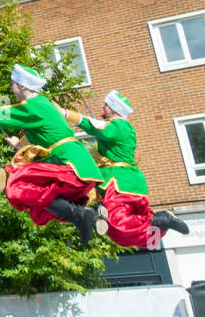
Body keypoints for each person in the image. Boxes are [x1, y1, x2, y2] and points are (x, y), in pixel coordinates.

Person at [0, 65, 105, 243]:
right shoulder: (42, 104)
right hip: (77, 165)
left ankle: (82, 214)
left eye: (13, 84)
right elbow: (47, 136)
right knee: (40, 207)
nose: (11, 88)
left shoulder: (33, 106)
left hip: (69, 164)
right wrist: (19, 145)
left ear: (23, 86)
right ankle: (89, 217)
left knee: (20, 183)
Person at [58, 91, 189, 247]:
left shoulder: (119, 125)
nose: (103, 106)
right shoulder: (122, 127)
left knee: (118, 223)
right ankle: (154, 222)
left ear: (114, 109)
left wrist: (66, 113)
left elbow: (95, 126)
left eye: (106, 104)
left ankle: (160, 219)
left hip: (119, 180)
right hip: (127, 180)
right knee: (123, 234)